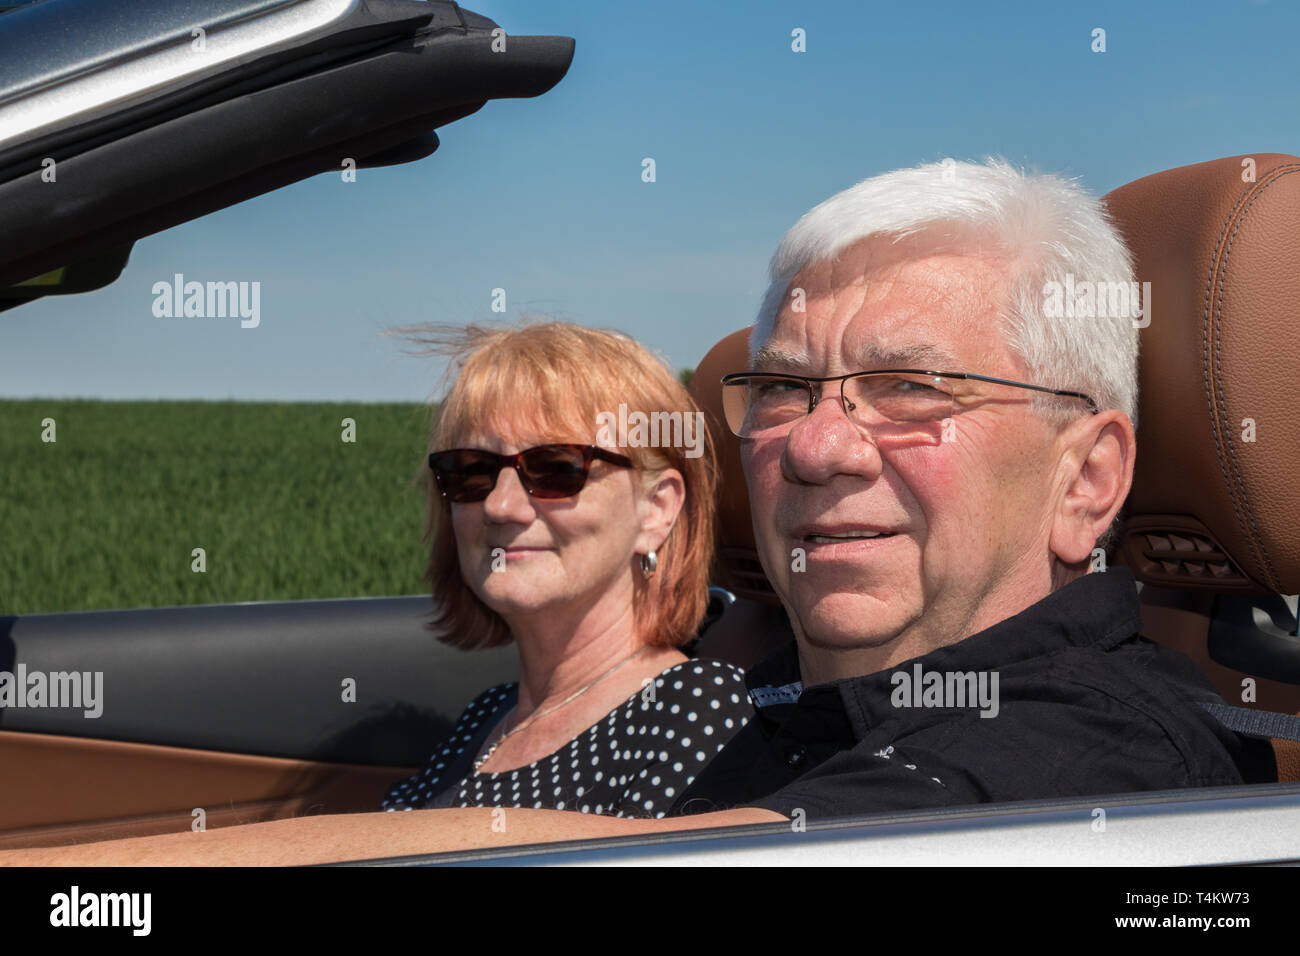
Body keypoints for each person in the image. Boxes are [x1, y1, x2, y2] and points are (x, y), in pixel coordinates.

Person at [1, 159, 1270, 865]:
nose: (815, 444)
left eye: (908, 390)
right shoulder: (784, 702)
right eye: (776, 390)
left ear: (1086, 478)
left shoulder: (1104, 761)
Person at [376, 321, 752, 818]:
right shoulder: (487, 717)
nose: (500, 506)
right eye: (471, 472)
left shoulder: (693, 708)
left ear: (655, 510)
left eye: (556, 468)